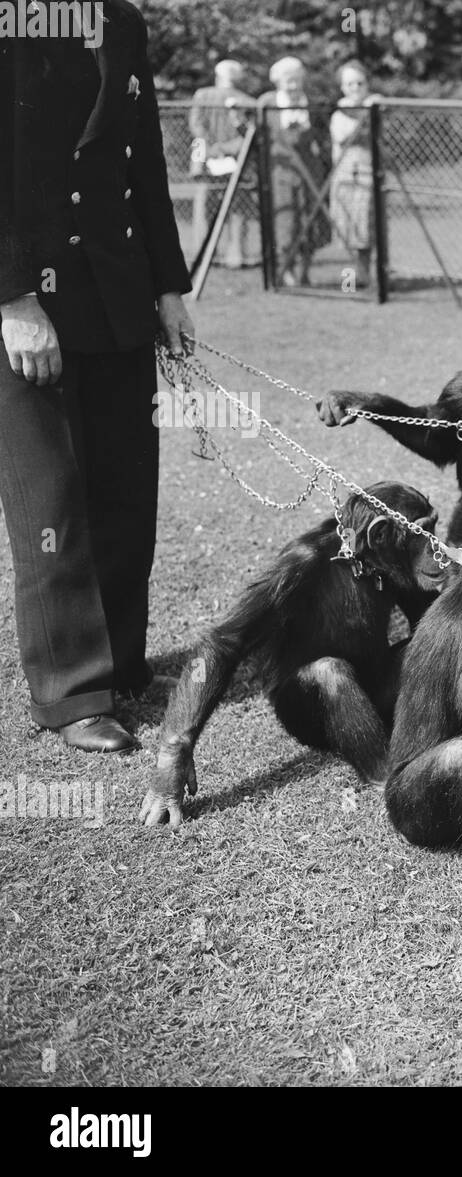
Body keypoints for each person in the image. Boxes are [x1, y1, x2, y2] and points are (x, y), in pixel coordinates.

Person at [0, 0, 195, 753]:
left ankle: (119, 664)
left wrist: (168, 287)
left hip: (116, 290)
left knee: (124, 483)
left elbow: (141, 156)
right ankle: (72, 691)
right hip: (27, 299)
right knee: (51, 495)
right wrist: (13, 299)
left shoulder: (123, 20)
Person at [258, 56, 330, 287]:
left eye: (297, 79)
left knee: (309, 220)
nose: (293, 84)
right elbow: (256, 134)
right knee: (285, 221)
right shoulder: (268, 102)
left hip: (310, 170)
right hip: (281, 171)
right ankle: (284, 270)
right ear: (278, 81)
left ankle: (305, 271)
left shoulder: (312, 103)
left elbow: (323, 136)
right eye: (288, 79)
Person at [189, 59, 257, 267]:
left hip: (205, 158)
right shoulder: (247, 100)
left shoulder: (202, 95)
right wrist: (226, 149)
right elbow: (248, 134)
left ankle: (205, 255)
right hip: (236, 160)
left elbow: (196, 125)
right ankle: (236, 256)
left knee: (204, 207)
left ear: (218, 76)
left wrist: (211, 149)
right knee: (238, 209)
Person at [329, 60, 377, 289]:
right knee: (347, 231)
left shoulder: (374, 107)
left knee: (367, 230)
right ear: (342, 87)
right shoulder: (339, 114)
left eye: (360, 83)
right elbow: (347, 136)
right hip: (346, 178)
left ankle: (367, 277)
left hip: (369, 177)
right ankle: (349, 282)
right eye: (350, 84)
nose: (355, 88)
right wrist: (366, 115)